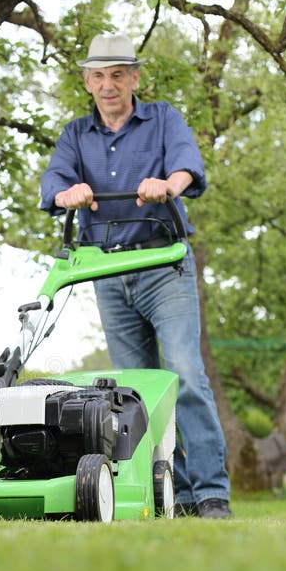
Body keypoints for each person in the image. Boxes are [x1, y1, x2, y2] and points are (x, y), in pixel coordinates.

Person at [40, 33, 232, 518]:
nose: (109, 85)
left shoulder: (163, 118)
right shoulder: (75, 136)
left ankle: (209, 494)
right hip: (109, 271)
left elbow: (188, 163)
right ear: (88, 82)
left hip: (163, 265)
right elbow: (54, 183)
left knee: (184, 374)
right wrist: (69, 195)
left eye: (118, 75)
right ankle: (174, 495)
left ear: (134, 78)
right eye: (99, 76)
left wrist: (168, 184)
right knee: (137, 393)